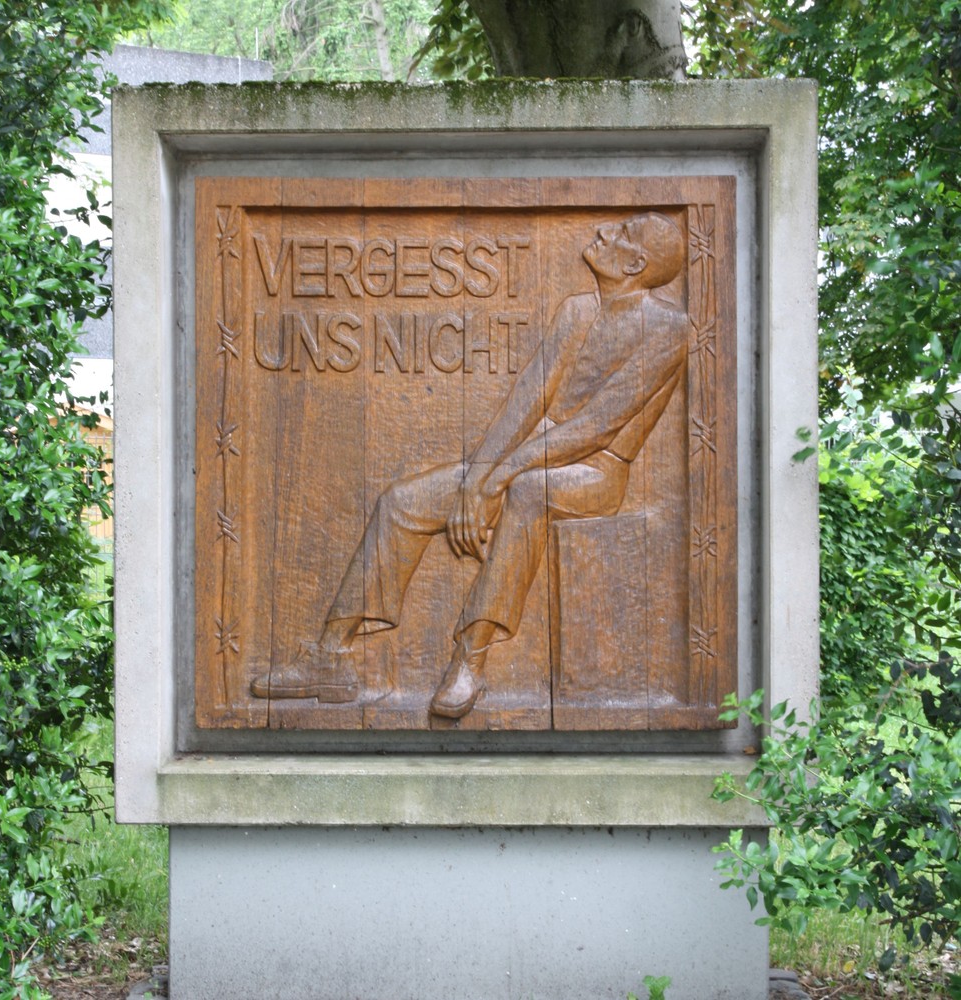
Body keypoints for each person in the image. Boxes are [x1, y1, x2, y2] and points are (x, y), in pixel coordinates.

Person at [250, 211, 689, 719]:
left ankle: (471, 659)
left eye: (622, 233)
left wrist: (499, 478)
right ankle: (331, 655)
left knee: (528, 492)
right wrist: (478, 478)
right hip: (530, 457)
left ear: (636, 262)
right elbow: (528, 400)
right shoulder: (577, 310)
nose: (604, 231)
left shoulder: (668, 329)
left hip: (596, 471)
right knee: (403, 500)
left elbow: (596, 426)